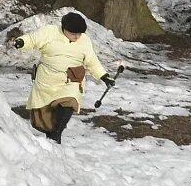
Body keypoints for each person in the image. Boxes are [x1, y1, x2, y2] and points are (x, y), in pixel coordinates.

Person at [12, 11, 116, 142]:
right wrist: (22, 42)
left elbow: (92, 62)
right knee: (44, 120)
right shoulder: (50, 32)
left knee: (69, 102)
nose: (77, 36)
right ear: (64, 28)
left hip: (71, 80)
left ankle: (56, 135)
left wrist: (104, 77)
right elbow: (32, 39)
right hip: (46, 81)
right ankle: (51, 137)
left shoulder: (84, 41)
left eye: (80, 33)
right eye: (74, 33)